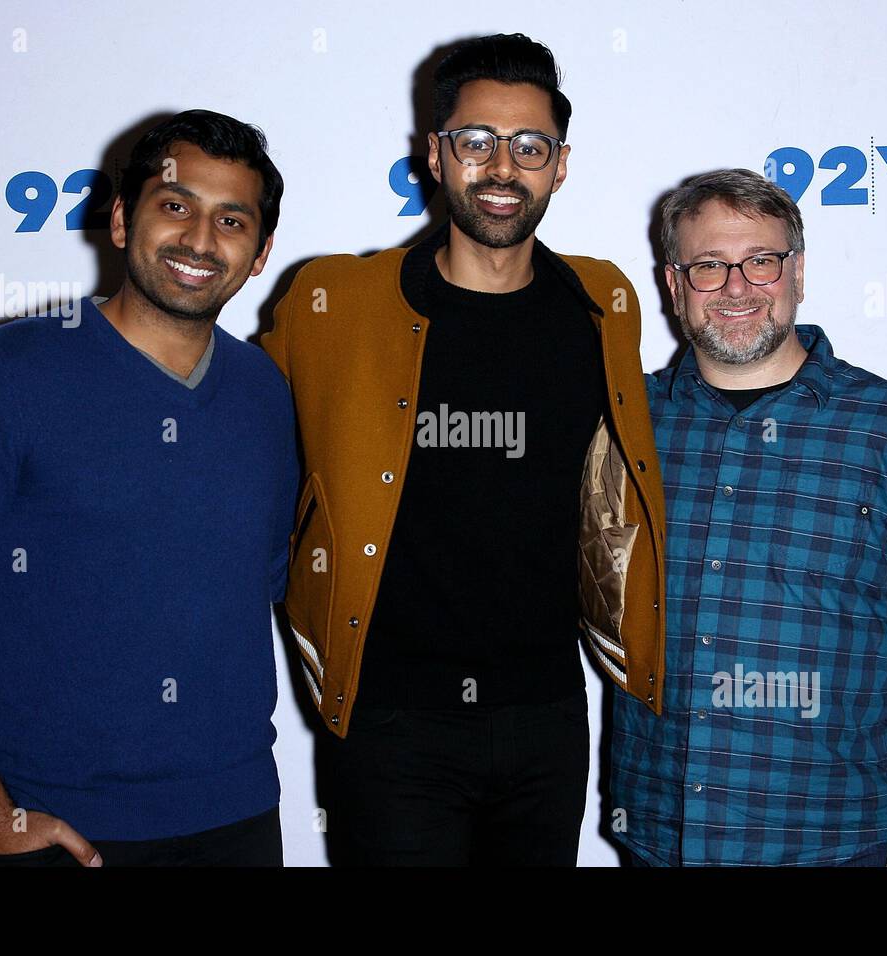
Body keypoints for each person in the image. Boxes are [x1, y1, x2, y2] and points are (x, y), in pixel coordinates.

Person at [0, 109, 296, 866]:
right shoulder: (1, 377)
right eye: (175, 206)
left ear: (259, 254)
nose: (199, 239)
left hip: (240, 821)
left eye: (231, 219)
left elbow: (269, 584)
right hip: (54, 827)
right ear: (122, 220)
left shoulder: (266, 390)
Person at [263, 33, 666, 866]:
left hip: (548, 716)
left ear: (561, 165)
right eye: (476, 142)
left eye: (530, 147)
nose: (502, 168)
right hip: (388, 722)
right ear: (435, 156)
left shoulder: (602, 300)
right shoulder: (335, 303)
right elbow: (231, 432)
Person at [611, 167, 887, 866]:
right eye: (709, 266)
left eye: (760, 261)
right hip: (660, 836)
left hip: (833, 844)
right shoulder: (624, 425)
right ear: (674, 285)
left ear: (797, 272)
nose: (737, 288)